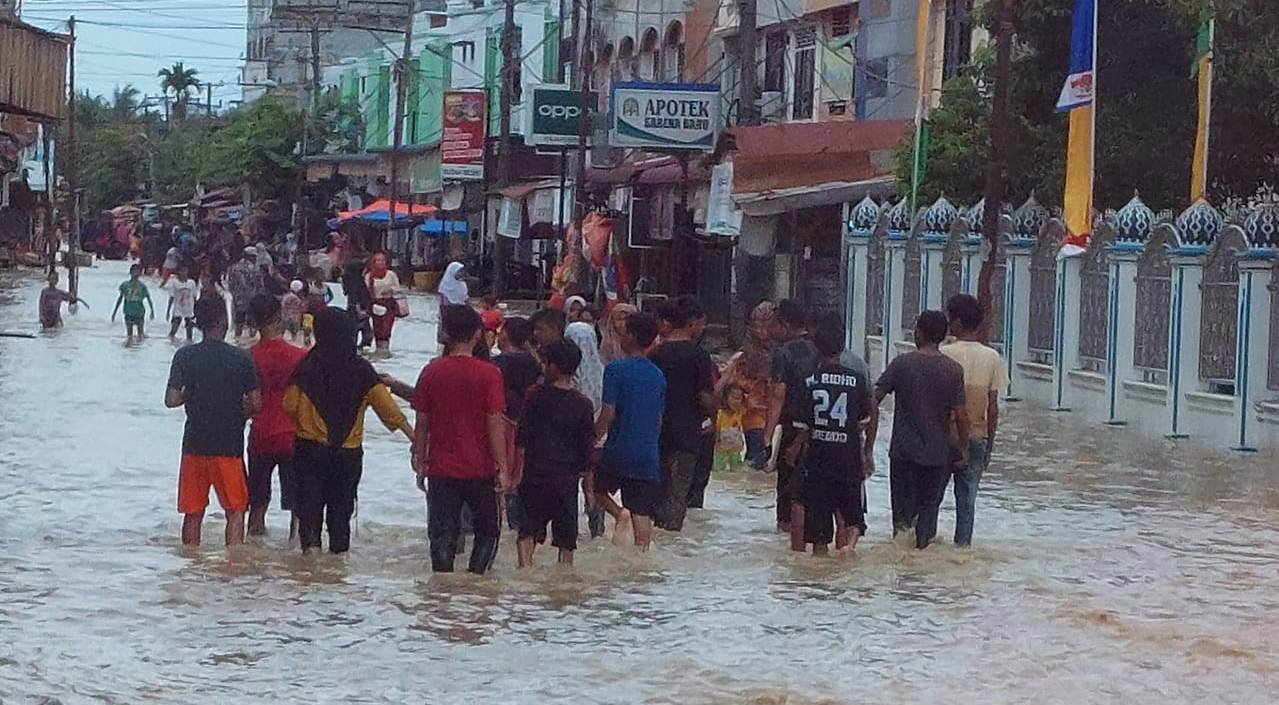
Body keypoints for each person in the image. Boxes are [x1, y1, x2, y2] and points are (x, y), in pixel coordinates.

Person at [284, 307, 414, 554]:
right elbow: (389, 411)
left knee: (309, 510)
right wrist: (415, 439)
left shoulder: (306, 367)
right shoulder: (362, 369)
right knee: (341, 514)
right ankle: (338, 561)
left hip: (310, 451)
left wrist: (303, 426)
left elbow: (289, 405)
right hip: (348, 455)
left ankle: (311, 558)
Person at [412, 304, 508, 573]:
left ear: (445, 334)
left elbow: (422, 422)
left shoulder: (432, 371)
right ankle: (475, 581)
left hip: (441, 468)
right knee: (487, 531)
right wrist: (502, 466)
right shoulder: (490, 374)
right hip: (481, 468)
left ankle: (443, 585)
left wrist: (419, 458)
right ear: (478, 334)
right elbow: (494, 423)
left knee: (442, 533)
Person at [869, 310, 970, 549]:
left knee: (902, 522)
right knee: (927, 516)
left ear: (920, 333)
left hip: (903, 454)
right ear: (943, 336)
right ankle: (923, 561)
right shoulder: (953, 370)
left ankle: (901, 563)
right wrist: (963, 449)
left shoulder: (902, 364)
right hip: (937, 456)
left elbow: (874, 399)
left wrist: (866, 435)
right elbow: (961, 415)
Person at [165, 296, 261, 547]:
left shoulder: (184, 356)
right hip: (228, 445)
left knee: (193, 512)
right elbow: (256, 403)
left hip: (194, 445)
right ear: (223, 320)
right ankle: (233, 562)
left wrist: (193, 394)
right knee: (236, 510)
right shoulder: (241, 358)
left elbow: (171, 400)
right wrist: (239, 413)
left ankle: (191, 562)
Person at [787, 318, 875, 555]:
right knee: (853, 518)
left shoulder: (810, 381)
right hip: (848, 460)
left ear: (817, 347)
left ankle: (820, 563)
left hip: (818, 461)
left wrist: (793, 450)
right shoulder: (857, 381)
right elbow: (863, 422)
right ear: (843, 346)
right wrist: (865, 454)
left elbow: (803, 428)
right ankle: (848, 547)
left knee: (818, 532)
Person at [515, 339, 596, 567]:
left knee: (527, 531)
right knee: (566, 540)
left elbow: (522, 438)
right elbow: (587, 451)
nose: (542, 367)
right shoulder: (583, 404)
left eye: (545, 362)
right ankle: (564, 578)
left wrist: (516, 474)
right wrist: (589, 489)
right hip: (565, 481)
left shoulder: (534, 395)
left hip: (534, 475)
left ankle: (525, 570)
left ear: (554, 366)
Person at [592, 312, 665, 549]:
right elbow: (658, 419)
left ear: (631, 337)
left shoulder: (615, 369)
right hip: (647, 454)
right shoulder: (658, 375)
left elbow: (608, 412)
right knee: (642, 512)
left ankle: (618, 513)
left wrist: (592, 438)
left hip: (618, 449)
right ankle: (642, 555)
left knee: (596, 489)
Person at [941, 294, 1008, 547]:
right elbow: (993, 408)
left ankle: (922, 545)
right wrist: (990, 445)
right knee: (967, 502)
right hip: (977, 437)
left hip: (944, 437)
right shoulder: (992, 357)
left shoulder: (944, 353)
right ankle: (962, 549)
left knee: (932, 498)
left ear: (957, 322)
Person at [244, 294, 308, 539]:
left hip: (260, 436)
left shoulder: (248, 357)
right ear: (278, 317)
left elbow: (247, 402)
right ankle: (295, 550)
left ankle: (253, 549)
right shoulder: (300, 356)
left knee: (257, 502)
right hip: (293, 435)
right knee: (298, 506)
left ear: (252, 320)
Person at [649, 298, 716, 531]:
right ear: (690, 322)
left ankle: (652, 540)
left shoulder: (656, 353)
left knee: (658, 493)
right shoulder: (699, 355)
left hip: (658, 433)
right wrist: (713, 418)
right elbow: (705, 397)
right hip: (688, 434)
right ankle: (672, 538)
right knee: (678, 495)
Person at [767, 300, 820, 533]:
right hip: (820, 429)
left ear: (785, 325)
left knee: (788, 492)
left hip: (791, 429)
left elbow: (778, 397)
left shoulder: (784, 354)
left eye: (773, 324)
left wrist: (767, 438)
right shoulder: (820, 350)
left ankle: (787, 539)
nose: (770, 330)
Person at [566, 320, 608, 537]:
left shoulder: (565, 376)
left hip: (570, 442)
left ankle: (569, 530)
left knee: (570, 488)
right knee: (593, 487)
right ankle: (596, 532)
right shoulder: (604, 371)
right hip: (598, 440)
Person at [365, 252, 402, 356]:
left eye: (382, 260)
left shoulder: (391, 274)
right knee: (377, 328)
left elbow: (398, 289)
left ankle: (385, 350)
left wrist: (390, 291)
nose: (380, 262)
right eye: (378, 260)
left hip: (389, 304)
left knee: (387, 327)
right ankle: (378, 350)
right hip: (376, 304)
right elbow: (366, 291)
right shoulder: (369, 276)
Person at [112, 264, 155, 342]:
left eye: (138, 272)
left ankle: (139, 346)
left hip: (139, 312)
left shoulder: (142, 286)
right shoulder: (125, 285)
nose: (136, 274)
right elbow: (120, 298)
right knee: (129, 335)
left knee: (140, 334)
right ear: (131, 272)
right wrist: (114, 312)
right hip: (128, 312)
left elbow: (148, 298)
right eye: (134, 271)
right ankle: (130, 345)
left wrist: (152, 311)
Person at [227, 249, 264, 339]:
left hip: (238, 298)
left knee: (238, 320)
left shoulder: (233, 267)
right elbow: (259, 284)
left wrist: (234, 294)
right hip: (252, 298)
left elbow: (230, 284)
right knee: (252, 322)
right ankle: (251, 340)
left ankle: (237, 338)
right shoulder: (254, 268)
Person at [713, 385, 747, 473]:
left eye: (738, 398)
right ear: (725, 399)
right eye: (733, 398)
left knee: (736, 469)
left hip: (735, 446)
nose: (736, 401)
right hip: (721, 447)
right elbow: (717, 429)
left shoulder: (739, 412)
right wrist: (716, 441)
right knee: (718, 469)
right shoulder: (720, 414)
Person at [341, 262, 374, 350]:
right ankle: (359, 348)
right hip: (358, 309)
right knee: (364, 331)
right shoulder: (357, 283)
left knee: (354, 331)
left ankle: (354, 348)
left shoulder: (351, 281)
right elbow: (355, 296)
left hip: (354, 308)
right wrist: (360, 309)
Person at [166, 267, 198, 341]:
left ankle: (189, 343)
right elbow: (171, 297)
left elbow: (194, 297)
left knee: (189, 332)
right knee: (174, 329)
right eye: (181, 271)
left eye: (185, 271)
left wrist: (196, 310)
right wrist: (168, 311)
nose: (183, 273)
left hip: (189, 310)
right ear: (178, 272)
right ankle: (170, 341)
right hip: (178, 309)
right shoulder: (174, 283)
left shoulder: (191, 283)